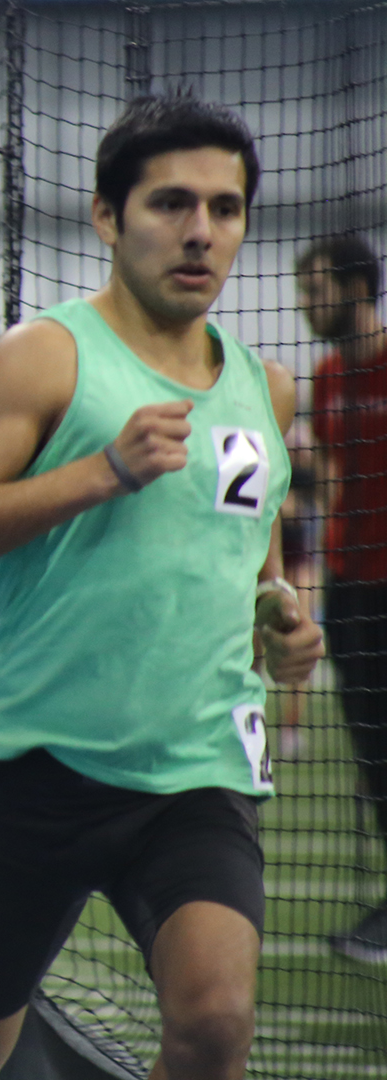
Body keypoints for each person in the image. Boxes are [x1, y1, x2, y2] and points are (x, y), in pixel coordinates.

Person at [0, 96, 324, 1080]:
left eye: (225, 207)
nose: (201, 230)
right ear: (107, 217)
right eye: (171, 203)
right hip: (36, 771)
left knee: (215, 1025)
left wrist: (281, 621)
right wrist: (99, 473)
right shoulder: (47, 356)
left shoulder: (268, 387)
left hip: (197, 771)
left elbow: (249, 561)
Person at [296, 232, 387, 964]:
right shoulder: (325, 376)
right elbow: (327, 473)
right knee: (373, 746)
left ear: (359, 287)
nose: (304, 303)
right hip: (348, 586)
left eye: (316, 288)